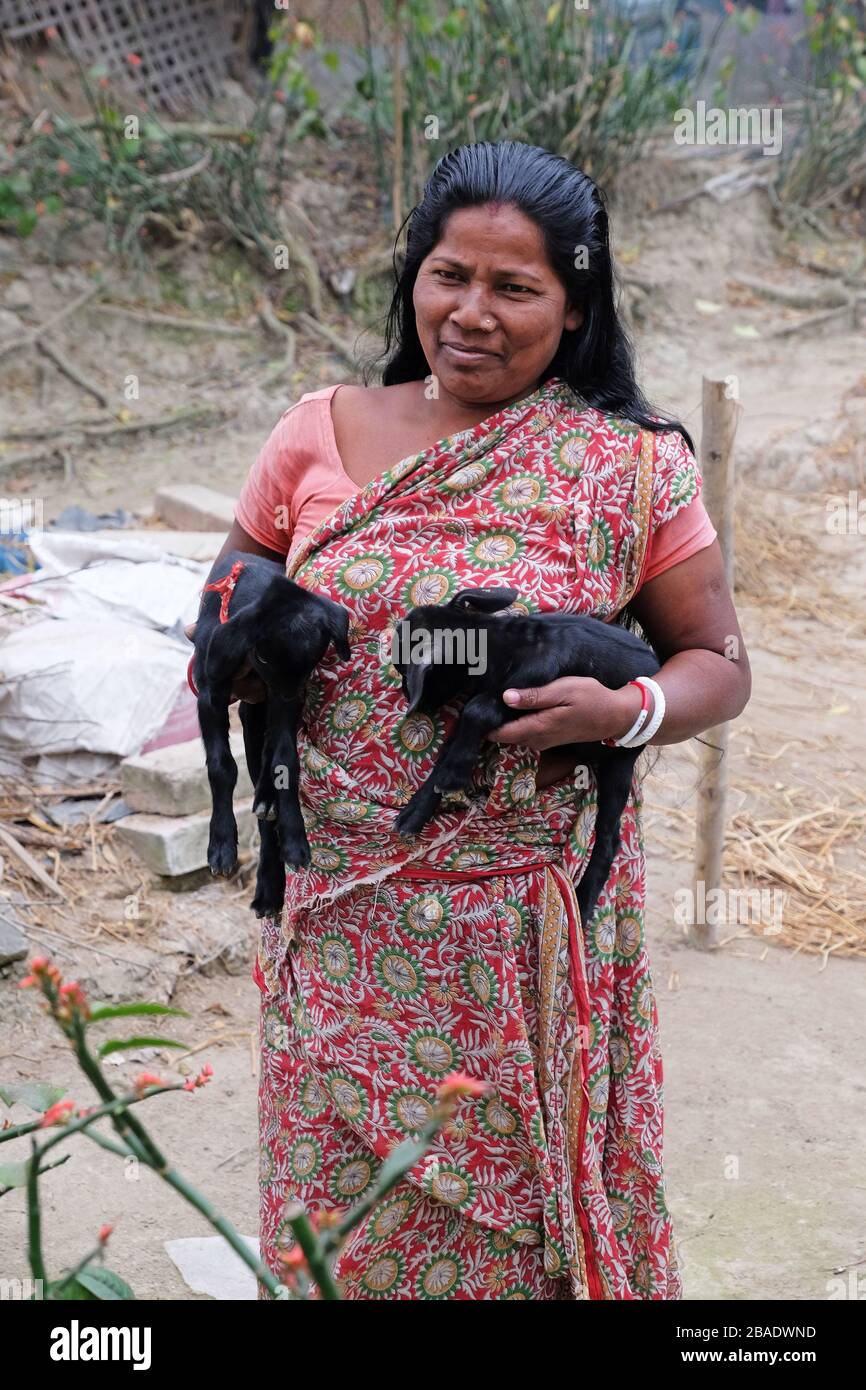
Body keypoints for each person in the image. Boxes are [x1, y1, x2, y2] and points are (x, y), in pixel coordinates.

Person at [191, 140, 751, 1299]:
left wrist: (627, 707)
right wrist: (234, 656)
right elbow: (228, 596)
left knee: (511, 1219)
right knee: (344, 1213)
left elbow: (717, 662)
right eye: (449, 275)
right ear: (413, 275)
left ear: (575, 301)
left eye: (514, 288)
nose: (471, 314)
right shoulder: (319, 429)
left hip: (522, 930)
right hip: (337, 916)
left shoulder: (626, 467)